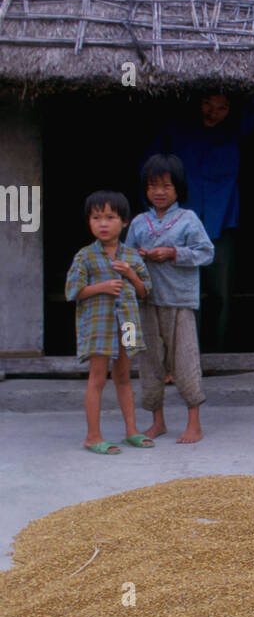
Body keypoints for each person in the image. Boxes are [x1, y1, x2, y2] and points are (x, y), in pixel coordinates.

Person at [145, 91, 254, 350]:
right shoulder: (175, 130)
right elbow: (149, 170)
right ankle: (186, 354)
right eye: (207, 103)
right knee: (185, 294)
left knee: (221, 294)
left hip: (222, 224)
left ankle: (218, 352)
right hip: (179, 229)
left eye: (222, 107)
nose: (212, 112)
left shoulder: (233, 131)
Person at [126, 154, 215, 444]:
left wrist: (174, 253)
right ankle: (158, 422)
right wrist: (136, 258)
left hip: (179, 302)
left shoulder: (188, 219)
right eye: (153, 186)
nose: (159, 192)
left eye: (166, 185)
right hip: (147, 301)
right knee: (150, 363)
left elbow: (206, 252)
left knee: (185, 360)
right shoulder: (139, 223)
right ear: (145, 189)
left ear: (178, 189)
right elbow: (125, 256)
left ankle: (194, 424)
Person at [65, 191, 154, 454]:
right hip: (99, 326)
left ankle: (131, 431)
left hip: (126, 325)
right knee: (97, 379)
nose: (102, 223)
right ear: (89, 222)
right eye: (96, 217)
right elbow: (73, 291)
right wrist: (101, 287)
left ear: (124, 222)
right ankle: (93, 436)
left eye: (110, 217)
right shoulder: (85, 256)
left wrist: (131, 275)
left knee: (124, 377)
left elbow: (144, 291)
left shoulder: (131, 256)